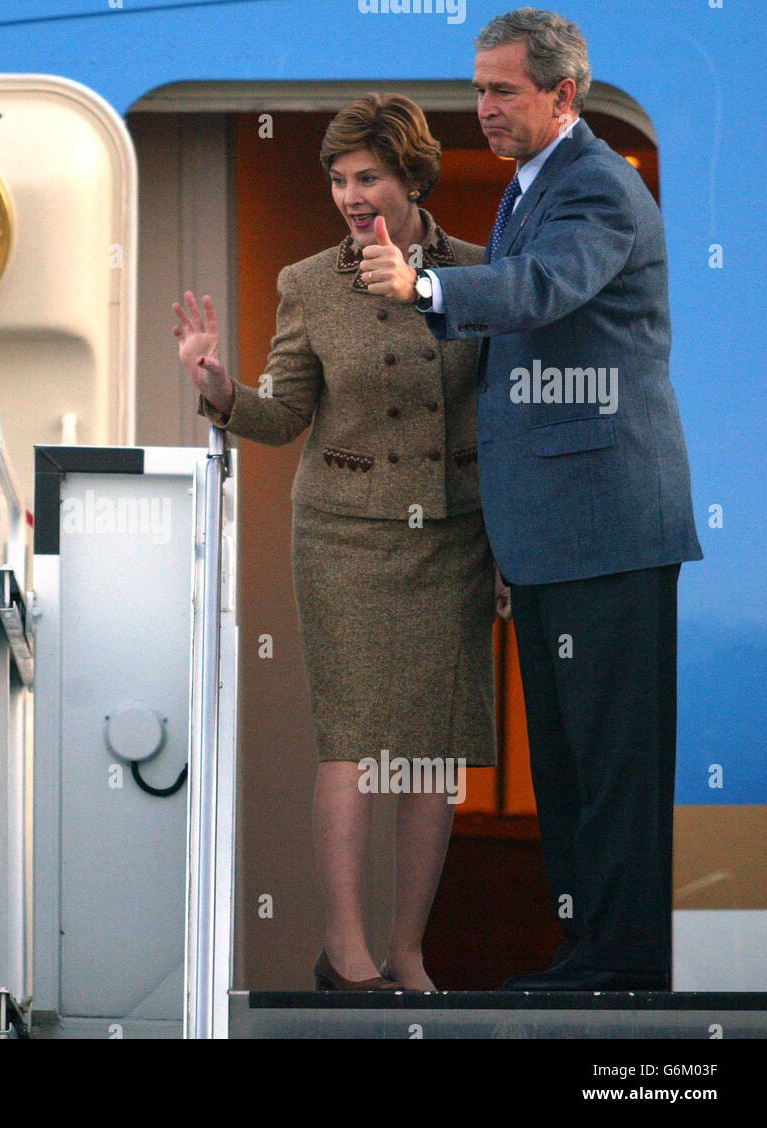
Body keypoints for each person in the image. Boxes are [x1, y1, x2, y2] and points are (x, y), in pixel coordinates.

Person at [362, 8, 702, 990]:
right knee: (565, 772)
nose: (484, 108)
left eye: (504, 90)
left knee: (611, 772)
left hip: (609, 528)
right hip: (554, 535)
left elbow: (538, 291)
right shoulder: (528, 187)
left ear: (563, 95)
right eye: (479, 88)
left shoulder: (597, 186)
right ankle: (589, 957)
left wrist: (423, 287)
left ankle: (619, 965)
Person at [173, 94, 502, 992]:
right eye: (338, 180)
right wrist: (219, 384)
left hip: (455, 537)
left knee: (431, 750)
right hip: (346, 539)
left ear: (410, 178)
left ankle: (408, 953)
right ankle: (347, 954)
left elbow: (499, 422)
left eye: (368, 178)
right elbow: (283, 416)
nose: (351, 196)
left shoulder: (477, 274)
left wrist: (508, 550)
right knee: (355, 741)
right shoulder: (306, 284)